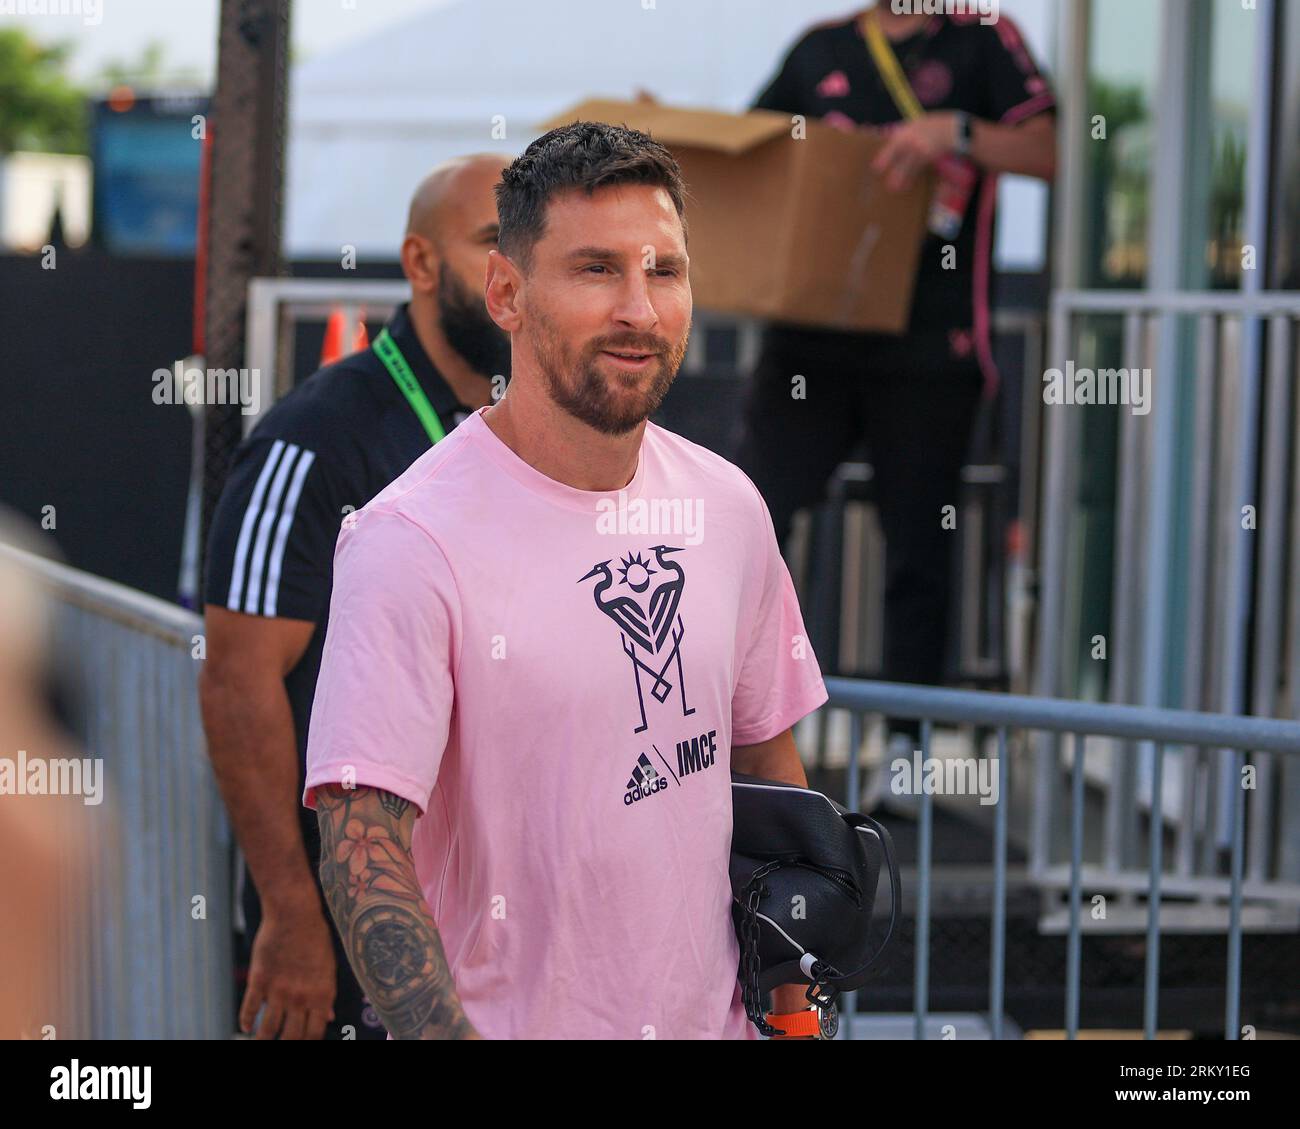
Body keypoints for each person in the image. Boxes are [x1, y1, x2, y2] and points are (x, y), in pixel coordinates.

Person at [303, 122, 830, 1040]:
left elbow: (768, 778)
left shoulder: (729, 506)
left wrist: (792, 1022)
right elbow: (363, 848)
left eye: (664, 270)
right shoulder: (410, 539)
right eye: (595, 269)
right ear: (505, 292)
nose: (639, 308)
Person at [199, 154, 509, 1040]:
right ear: (419, 264)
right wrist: (292, 914)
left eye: (530, 242)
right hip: (346, 931)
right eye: (491, 240)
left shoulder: (538, 431)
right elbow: (235, 683)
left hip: (493, 932)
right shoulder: (313, 438)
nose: (513, 267)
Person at [734, 4, 1056, 794]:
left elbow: (1055, 150)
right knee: (747, 527)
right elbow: (750, 155)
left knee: (920, 544)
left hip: (930, 348)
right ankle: (730, 732)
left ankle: (907, 751)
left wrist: (958, 135)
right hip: (809, 340)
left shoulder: (985, 38)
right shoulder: (821, 49)